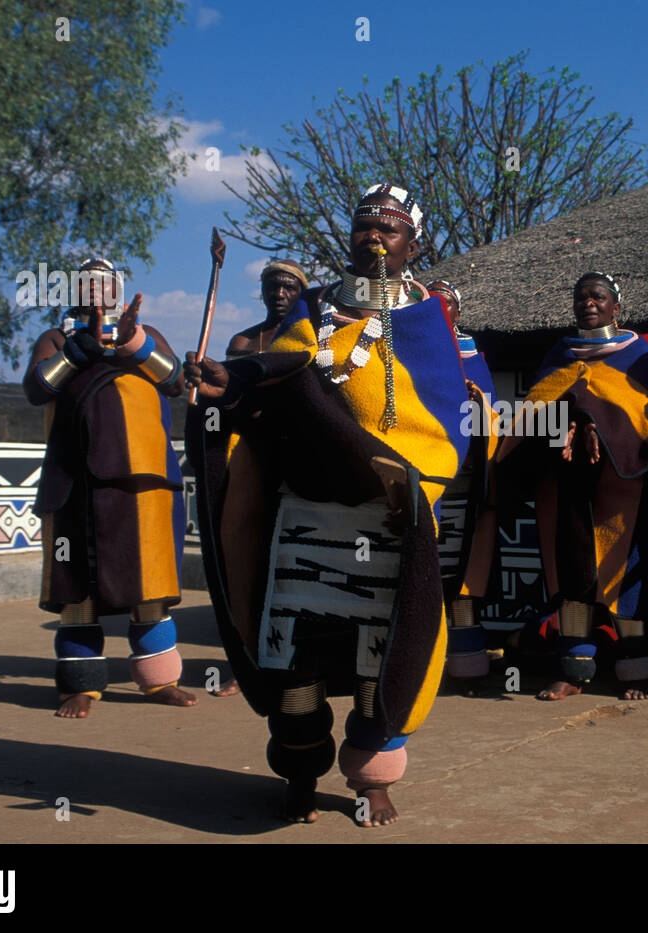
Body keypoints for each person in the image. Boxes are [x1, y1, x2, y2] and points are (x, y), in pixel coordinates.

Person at [185, 184, 468, 826]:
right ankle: (301, 771)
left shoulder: (427, 321)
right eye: (364, 226)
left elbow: (447, 421)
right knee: (294, 660)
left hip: (391, 513)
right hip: (306, 516)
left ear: (412, 245)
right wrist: (232, 383)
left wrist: (412, 486)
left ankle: (371, 781)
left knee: (382, 659)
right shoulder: (313, 309)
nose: (374, 237)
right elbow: (279, 372)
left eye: (388, 230)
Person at [23, 257, 196, 718]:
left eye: (106, 283)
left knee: (150, 585)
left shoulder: (145, 333)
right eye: (88, 284)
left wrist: (134, 344)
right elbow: (38, 387)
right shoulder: (58, 338)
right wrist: (80, 349)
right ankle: (80, 684)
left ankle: (158, 680)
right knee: (76, 588)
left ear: (119, 291)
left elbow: (175, 381)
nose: (97, 291)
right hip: (75, 483)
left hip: (146, 485)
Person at [495, 273, 648, 701]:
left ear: (616, 307)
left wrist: (597, 422)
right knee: (569, 571)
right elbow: (535, 409)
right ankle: (573, 668)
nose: (589, 302)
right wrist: (570, 419)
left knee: (624, 575)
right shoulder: (560, 352)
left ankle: (636, 669)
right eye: (581, 297)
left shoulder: (639, 352)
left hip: (621, 482)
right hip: (564, 480)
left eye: (598, 296)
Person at [210, 258, 311, 699]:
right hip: (248, 453)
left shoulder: (309, 338)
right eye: (272, 286)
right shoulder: (245, 339)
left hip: (296, 456)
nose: (280, 293)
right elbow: (231, 394)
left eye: (289, 287)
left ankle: (294, 657)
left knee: (289, 559)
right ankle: (246, 657)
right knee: (243, 555)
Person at [428, 280, 502, 692]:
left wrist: (478, 405)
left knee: (465, 570)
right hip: (426, 475)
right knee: (425, 569)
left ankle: (466, 665)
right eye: (432, 302)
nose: (440, 308)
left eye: (448, 303)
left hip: (467, 478)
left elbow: (491, 414)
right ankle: (422, 665)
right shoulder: (408, 346)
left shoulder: (473, 355)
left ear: (459, 312)